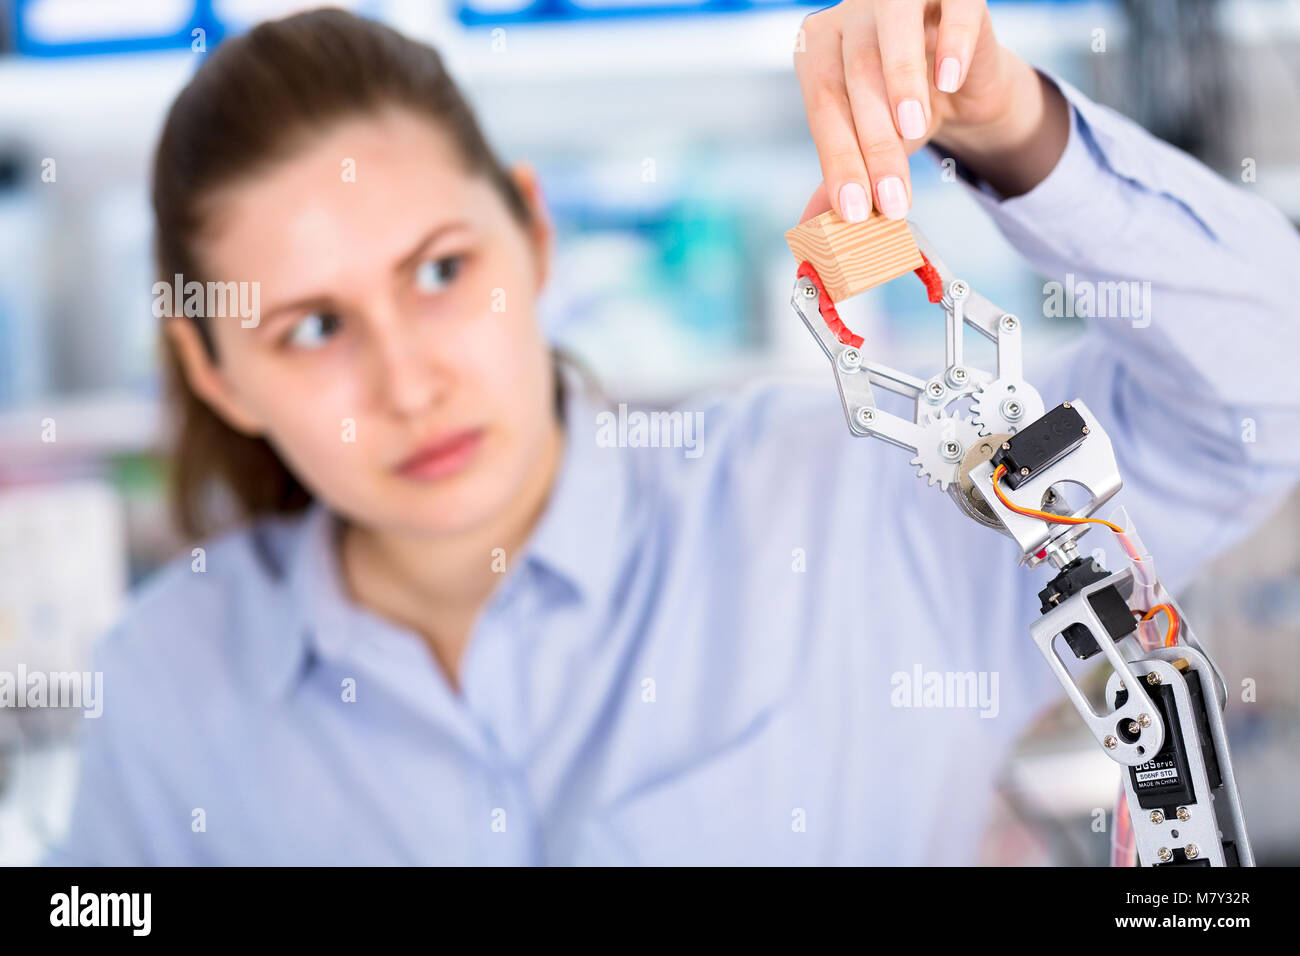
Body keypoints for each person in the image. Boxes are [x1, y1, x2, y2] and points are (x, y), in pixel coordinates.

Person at [45, 3, 1300, 865]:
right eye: (311, 329)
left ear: (531, 236)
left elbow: (1263, 394)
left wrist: (1014, 130)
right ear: (216, 370)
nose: (409, 378)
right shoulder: (171, 685)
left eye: (438, 271)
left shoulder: (849, 508)